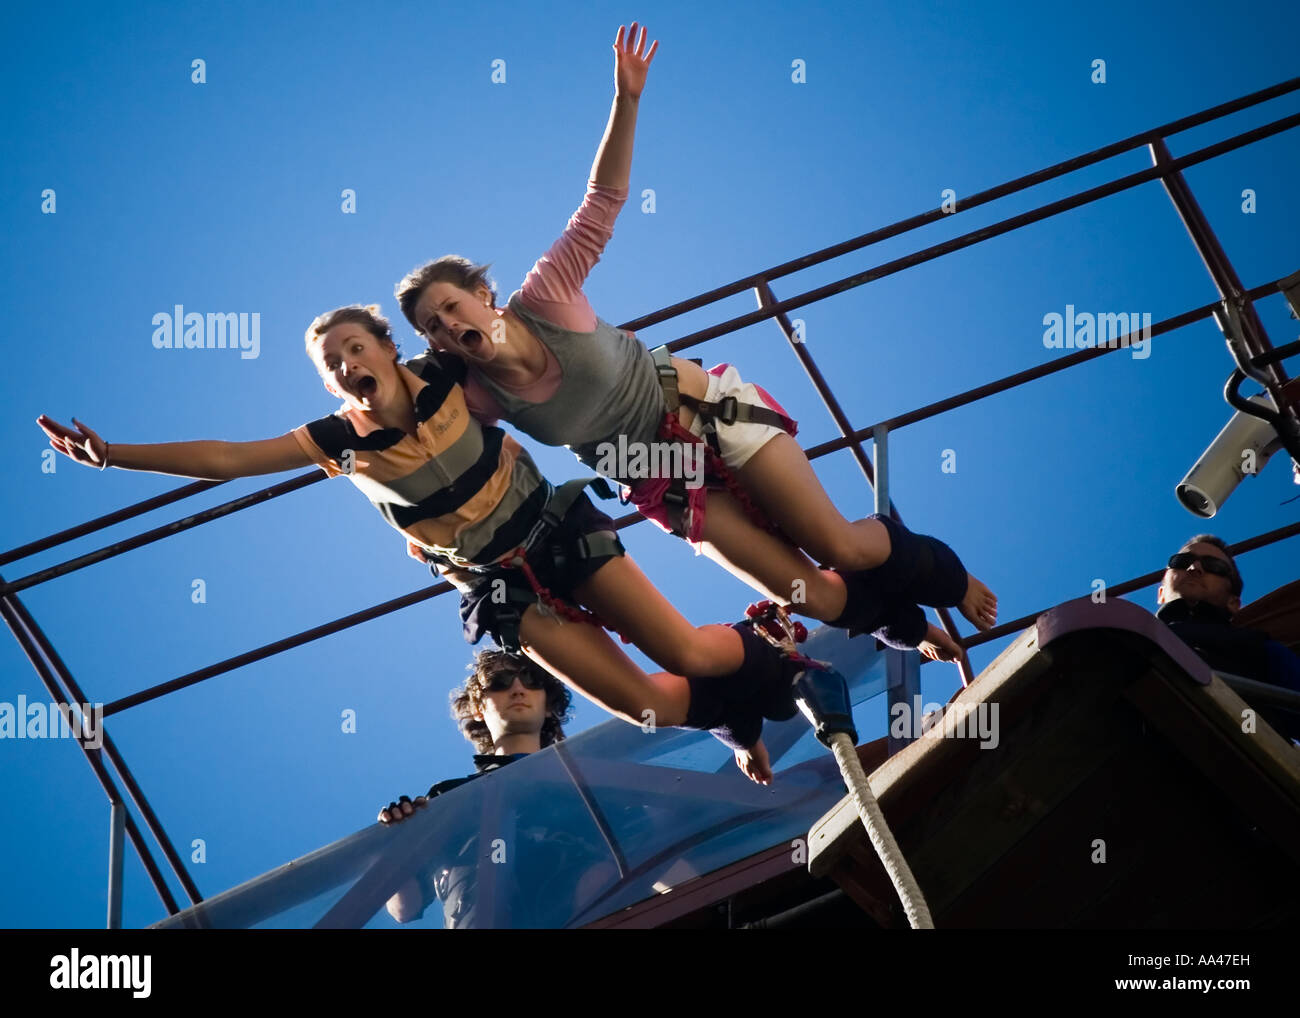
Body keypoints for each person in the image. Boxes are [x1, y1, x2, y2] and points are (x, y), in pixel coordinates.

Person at [395, 23, 997, 666]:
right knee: (810, 596)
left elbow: (602, 201)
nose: (445, 327)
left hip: (703, 413)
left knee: (840, 548)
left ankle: (951, 580)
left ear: (483, 295)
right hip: (659, 475)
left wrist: (626, 99)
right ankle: (902, 627)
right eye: (431, 326)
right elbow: (402, 422)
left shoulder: (545, 297)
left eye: (450, 307)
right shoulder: (476, 392)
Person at [36, 303, 805, 782]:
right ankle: (732, 718)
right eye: (331, 365)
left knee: (693, 655)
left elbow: (526, 334)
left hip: (557, 529)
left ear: (384, 347)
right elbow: (227, 458)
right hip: (499, 586)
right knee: (642, 704)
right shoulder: (341, 440)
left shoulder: (447, 373)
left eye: (354, 347)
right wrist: (116, 456)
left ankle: (774, 655)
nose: (345, 365)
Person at [377, 650, 607, 927]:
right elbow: (404, 908)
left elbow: (657, 850)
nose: (518, 688)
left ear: (548, 705)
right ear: (478, 707)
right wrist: (394, 837)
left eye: (532, 679)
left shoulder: (596, 782)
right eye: (500, 681)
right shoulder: (448, 795)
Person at [1156, 534, 1300, 739]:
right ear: (1161, 593)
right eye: (1182, 562)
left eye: (1213, 566)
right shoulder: (1128, 633)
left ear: (1234, 602)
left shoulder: (1260, 648)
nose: (1194, 568)